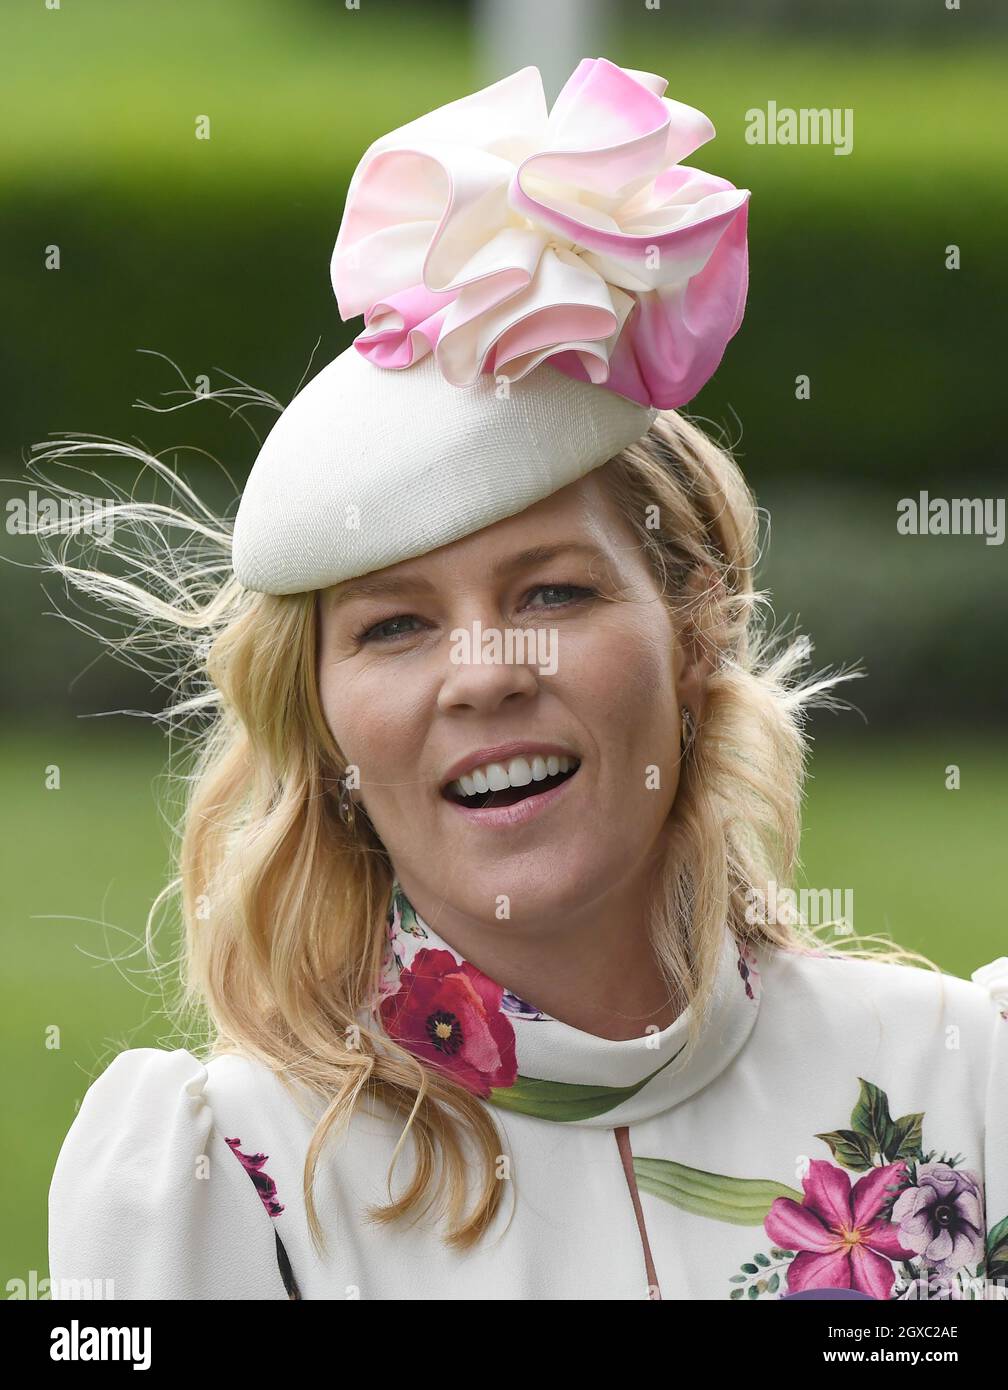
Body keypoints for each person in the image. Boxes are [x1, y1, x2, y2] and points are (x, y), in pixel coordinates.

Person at [44, 57, 1006, 1302]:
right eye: (393, 627)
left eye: (553, 592)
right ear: (324, 723)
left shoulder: (967, 1079)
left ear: (695, 631)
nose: (484, 675)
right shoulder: (216, 1177)